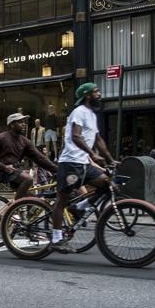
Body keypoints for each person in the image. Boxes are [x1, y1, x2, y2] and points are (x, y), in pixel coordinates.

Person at [51, 83, 117, 254]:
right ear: (87, 96)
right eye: (96, 92)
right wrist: (92, 154)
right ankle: (57, 238)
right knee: (62, 200)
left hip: (83, 163)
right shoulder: (79, 112)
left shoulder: (92, 115)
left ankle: (79, 206)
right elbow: (76, 135)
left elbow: (99, 140)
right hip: (70, 163)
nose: (99, 94)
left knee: (106, 184)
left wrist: (110, 160)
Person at [0, 113, 57, 199]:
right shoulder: (0, 138)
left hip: (16, 172)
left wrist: (56, 169)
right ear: (12, 124)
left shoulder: (24, 141)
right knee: (28, 179)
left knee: (35, 201)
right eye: (20, 122)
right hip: (3, 173)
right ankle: (15, 206)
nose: (24, 124)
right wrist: (4, 167)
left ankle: (23, 210)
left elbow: (39, 157)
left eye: (24, 122)